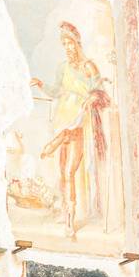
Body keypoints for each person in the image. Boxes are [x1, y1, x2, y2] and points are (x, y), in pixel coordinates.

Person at [31, 22, 108, 238]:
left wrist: (92, 97)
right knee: (64, 174)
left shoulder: (89, 67)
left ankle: (57, 140)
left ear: (77, 43)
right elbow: (56, 91)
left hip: (80, 119)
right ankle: (69, 219)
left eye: (70, 43)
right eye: (64, 44)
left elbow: (100, 93)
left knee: (70, 171)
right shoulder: (62, 68)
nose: (68, 47)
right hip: (62, 116)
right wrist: (41, 85)